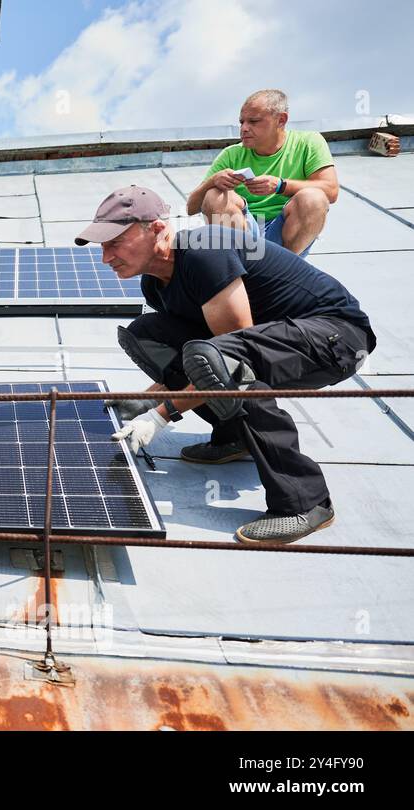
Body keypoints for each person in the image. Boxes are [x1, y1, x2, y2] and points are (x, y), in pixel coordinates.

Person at [77, 186, 376, 544]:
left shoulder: (207, 249)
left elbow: (231, 358)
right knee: (147, 333)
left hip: (337, 337)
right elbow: (204, 354)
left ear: (156, 228)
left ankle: (305, 502)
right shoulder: (156, 286)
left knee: (224, 363)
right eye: (102, 247)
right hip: (268, 344)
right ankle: (235, 437)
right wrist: (145, 400)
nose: (106, 257)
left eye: (114, 242)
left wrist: (160, 414)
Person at [186, 89, 338, 256]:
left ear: (281, 120)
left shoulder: (309, 142)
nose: (244, 128)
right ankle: (241, 266)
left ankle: (285, 269)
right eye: (241, 122)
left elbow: (331, 191)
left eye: (253, 121)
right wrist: (213, 181)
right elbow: (191, 208)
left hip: (285, 236)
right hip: (245, 237)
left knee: (314, 198)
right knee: (214, 195)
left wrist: (280, 185)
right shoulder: (231, 154)